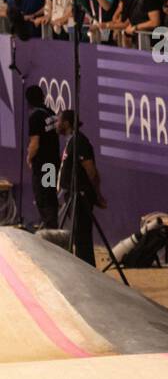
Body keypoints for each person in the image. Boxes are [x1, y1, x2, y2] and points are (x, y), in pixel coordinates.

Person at [56, 110, 105, 266]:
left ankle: (87, 270)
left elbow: (91, 171)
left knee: (82, 237)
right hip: (71, 194)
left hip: (81, 196)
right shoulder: (71, 141)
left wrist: (97, 195)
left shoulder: (79, 142)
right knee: (78, 236)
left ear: (67, 123)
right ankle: (81, 268)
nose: (56, 124)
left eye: (59, 120)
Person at [25, 86, 59, 229]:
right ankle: (51, 227)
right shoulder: (50, 113)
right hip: (51, 164)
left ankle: (50, 229)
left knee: (43, 198)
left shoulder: (35, 117)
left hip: (42, 165)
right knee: (50, 194)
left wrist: (29, 157)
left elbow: (35, 143)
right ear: (43, 97)